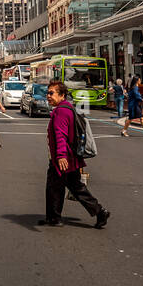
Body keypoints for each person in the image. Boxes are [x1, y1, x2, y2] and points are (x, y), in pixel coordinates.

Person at [39, 81, 110, 229]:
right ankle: (99, 211)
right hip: (71, 157)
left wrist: (60, 156)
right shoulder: (68, 108)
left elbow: (61, 135)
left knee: (54, 187)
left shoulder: (61, 112)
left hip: (63, 158)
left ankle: (54, 218)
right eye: (48, 93)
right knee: (76, 187)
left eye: (51, 93)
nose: (48, 96)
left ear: (62, 95)